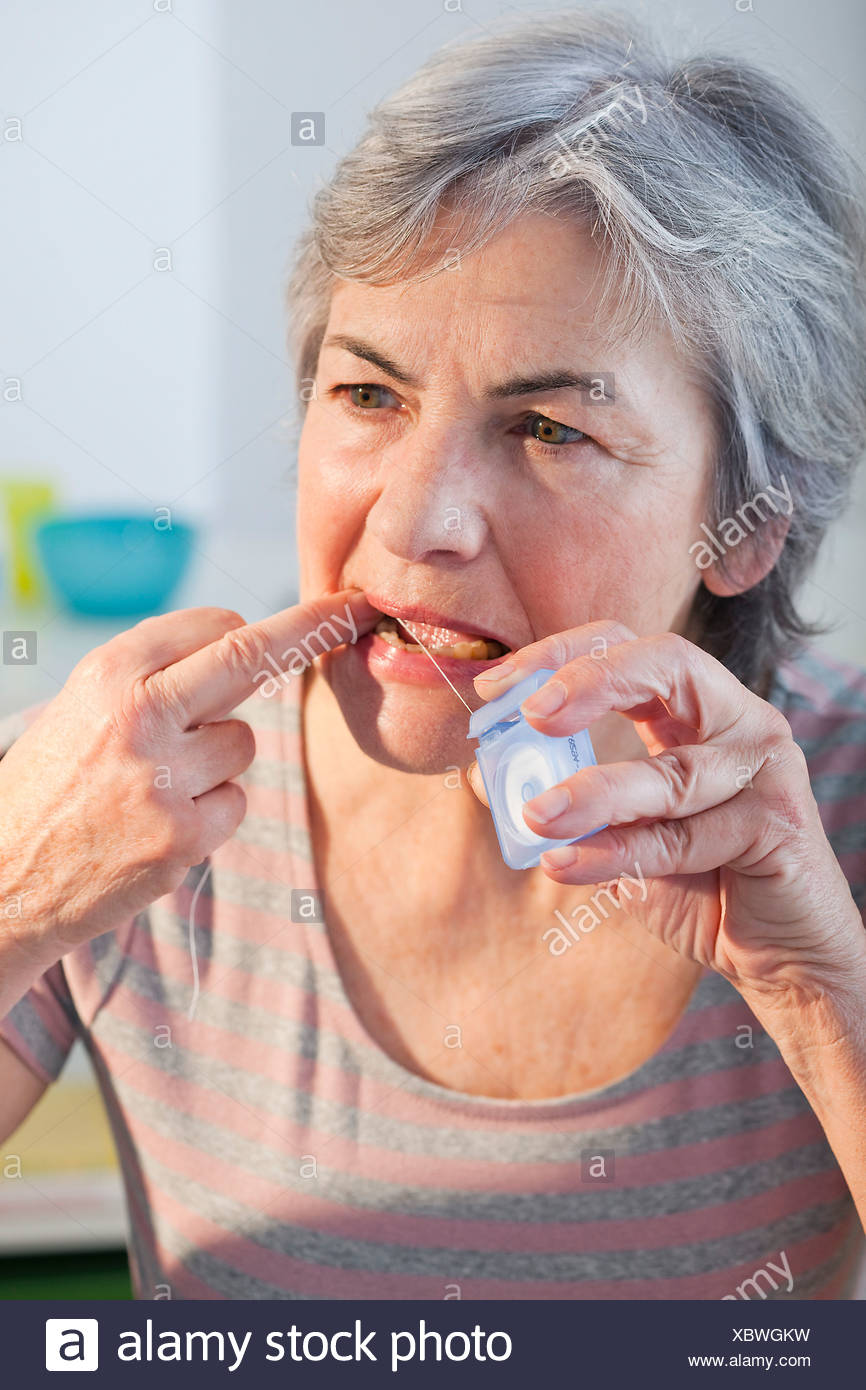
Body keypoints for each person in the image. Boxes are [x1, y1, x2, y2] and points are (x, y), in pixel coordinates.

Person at [2, 10, 865, 1299]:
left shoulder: (834, 817)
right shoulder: (125, 794)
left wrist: (816, 987)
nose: (412, 522)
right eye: (369, 394)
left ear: (746, 526)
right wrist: (16, 898)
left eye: (549, 428)